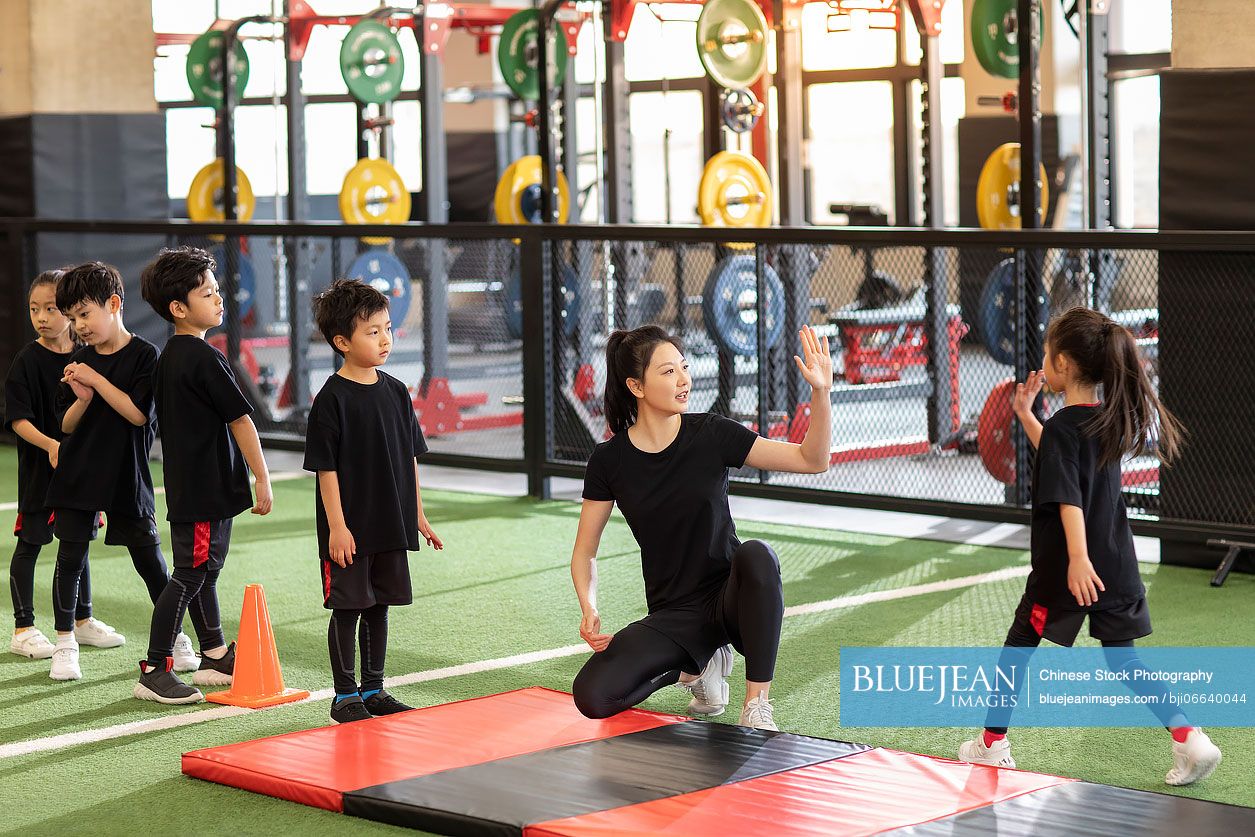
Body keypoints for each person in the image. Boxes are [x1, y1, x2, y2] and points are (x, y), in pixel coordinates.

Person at [958, 307, 1222, 786]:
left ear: (1063, 363)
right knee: (1123, 657)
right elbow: (1067, 467)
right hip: (1116, 563)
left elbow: (1067, 498)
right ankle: (1189, 736)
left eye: (1045, 353)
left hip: (1067, 570)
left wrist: (1077, 559)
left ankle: (991, 746)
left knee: (1019, 644)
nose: (1042, 360)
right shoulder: (1106, 420)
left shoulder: (1064, 425)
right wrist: (1026, 416)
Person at [570, 324, 833, 731]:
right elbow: (585, 550)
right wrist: (589, 607)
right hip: (674, 614)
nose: (684, 379)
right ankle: (697, 669)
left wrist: (821, 392)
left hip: (732, 601)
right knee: (593, 696)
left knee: (757, 554)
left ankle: (756, 704)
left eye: (684, 367)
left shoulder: (712, 433)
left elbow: (811, 460)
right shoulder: (609, 461)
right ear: (636, 386)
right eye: (668, 372)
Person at [43, 262, 201, 681]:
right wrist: (81, 397)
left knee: (150, 560)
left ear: (114, 304)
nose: (79, 326)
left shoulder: (145, 355)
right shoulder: (79, 360)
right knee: (70, 557)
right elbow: (66, 425)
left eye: (84, 314)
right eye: (72, 318)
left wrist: (95, 379)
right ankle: (65, 643)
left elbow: (136, 415)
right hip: (80, 474)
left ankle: (177, 639)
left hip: (127, 475)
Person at [132, 246, 274, 704]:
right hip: (202, 491)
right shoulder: (202, 357)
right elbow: (241, 420)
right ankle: (155, 669)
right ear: (178, 308)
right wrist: (263, 476)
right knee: (190, 576)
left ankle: (213, 653)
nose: (219, 300)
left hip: (203, 489)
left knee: (205, 574)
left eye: (217, 291)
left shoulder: (172, 355)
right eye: (208, 293)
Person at [303, 279, 443, 724]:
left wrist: (416, 513)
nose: (385, 339)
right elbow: (327, 470)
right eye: (372, 332)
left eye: (387, 328)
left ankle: (373, 688)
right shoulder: (331, 399)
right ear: (342, 342)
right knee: (349, 607)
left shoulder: (397, 391)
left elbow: (410, 458)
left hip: (391, 521)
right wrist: (339, 527)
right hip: (350, 527)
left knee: (379, 604)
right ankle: (345, 696)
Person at [6, 269, 109, 659]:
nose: (43, 317)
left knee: (76, 545)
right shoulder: (26, 362)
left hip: (80, 474)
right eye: (35, 309)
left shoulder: (87, 358)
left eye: (51, 308)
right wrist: (51, 445)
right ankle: (23, 627)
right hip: (39, 475)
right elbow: (18, 420)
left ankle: (82, 621)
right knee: (30, 544)